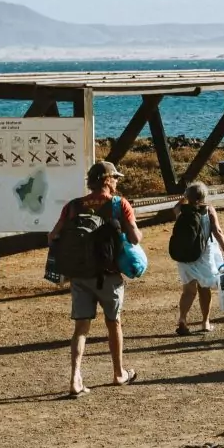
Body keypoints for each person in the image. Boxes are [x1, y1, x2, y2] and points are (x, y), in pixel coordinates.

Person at [52, 160, 142, 397]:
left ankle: (75, 379)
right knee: (114, 323)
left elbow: (53, 236)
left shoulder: (73, 206)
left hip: (80, 275)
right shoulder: (119, 204)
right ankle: (118, 373)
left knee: (81, 328)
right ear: (107, 180)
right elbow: (135, 238)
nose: (117, 182)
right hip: (109, 275)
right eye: (115, 178)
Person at [167, 182, 224, 335]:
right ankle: (205, 322)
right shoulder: (208, 210)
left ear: (187, 196)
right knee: (204, 289)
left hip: (184, 254)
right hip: (204, 254)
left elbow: (175, 207)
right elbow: (217, 231)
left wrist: (184, 197)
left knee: (188, 291)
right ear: (204, 196)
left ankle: (182, 319)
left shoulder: (181, 210)